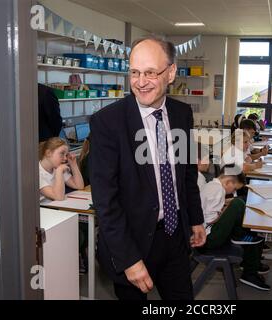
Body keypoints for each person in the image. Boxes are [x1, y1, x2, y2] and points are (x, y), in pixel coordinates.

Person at [89, 35, 206, 300]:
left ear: (171, 72)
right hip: (132, 242)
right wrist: (129, 259)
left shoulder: (181, 114)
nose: (141, 82)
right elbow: (106, 201)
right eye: (135, 72)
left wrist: (196, 218)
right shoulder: (107, 123)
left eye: (151, 72)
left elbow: (187, 174)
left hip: (175, 236)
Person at [200, 165, 271, 291]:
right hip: (209, 237)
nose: (233, 191)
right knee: (238, 203)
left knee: (237, 206)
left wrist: (225, 209)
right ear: (228, 182)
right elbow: (211, 220)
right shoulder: (217, 190)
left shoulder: (212, 186)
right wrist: (227, 211)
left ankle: (248, 254)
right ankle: (239, 236)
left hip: (209, 232)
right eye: (234, 188)